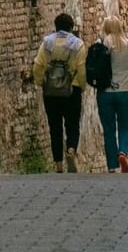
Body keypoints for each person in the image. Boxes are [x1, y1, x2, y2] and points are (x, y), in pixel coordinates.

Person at [33, 12, 87, 172]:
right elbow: (81, 70)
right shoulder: (78, 45)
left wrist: (40, 81)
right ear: (71, 28)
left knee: (54, 126)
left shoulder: (47, 43)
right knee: (72, 124)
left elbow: (37, 65)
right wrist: (81, 86)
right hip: (72, 90)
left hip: (50, 91)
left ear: (56, 27)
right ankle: (71, 150)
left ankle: (58, 164)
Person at [87, 19, 128, 171]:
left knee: (109, 129)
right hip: (125, 90)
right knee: (124, 125)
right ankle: (122, 151)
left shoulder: (103, 43)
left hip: (106, 92)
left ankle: (111, 165)